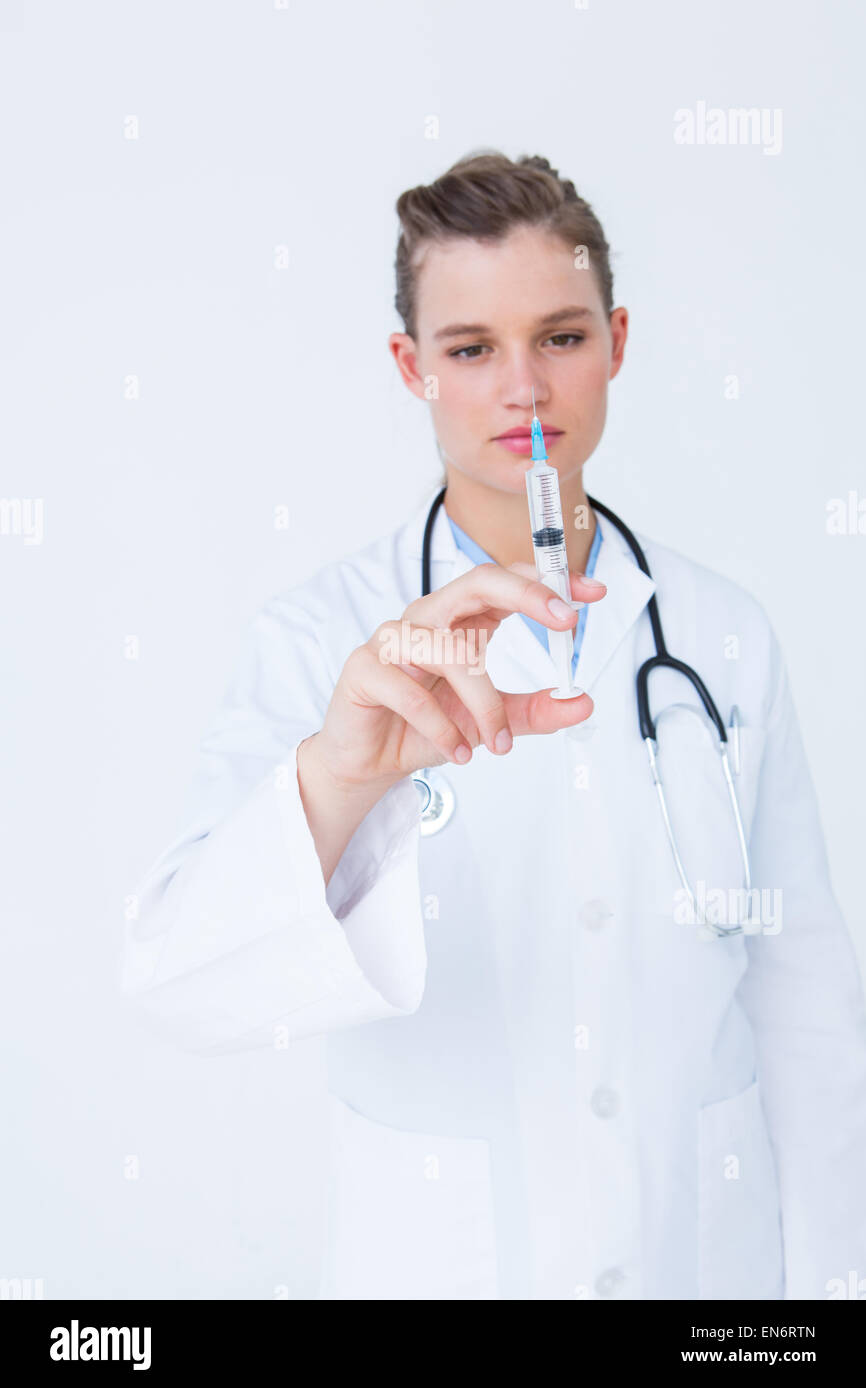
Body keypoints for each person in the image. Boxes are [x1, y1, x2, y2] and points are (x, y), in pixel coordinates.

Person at [122, 151, 866, 1302]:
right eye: (470, 349)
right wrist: (335, 779)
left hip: (704, 1270)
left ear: (616, 342)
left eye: (559, 337)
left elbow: (803, 998)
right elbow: (180, 979)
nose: (522, 387)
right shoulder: (321, 639)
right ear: (410, 367)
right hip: (448, 1265)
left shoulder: (720, 633)